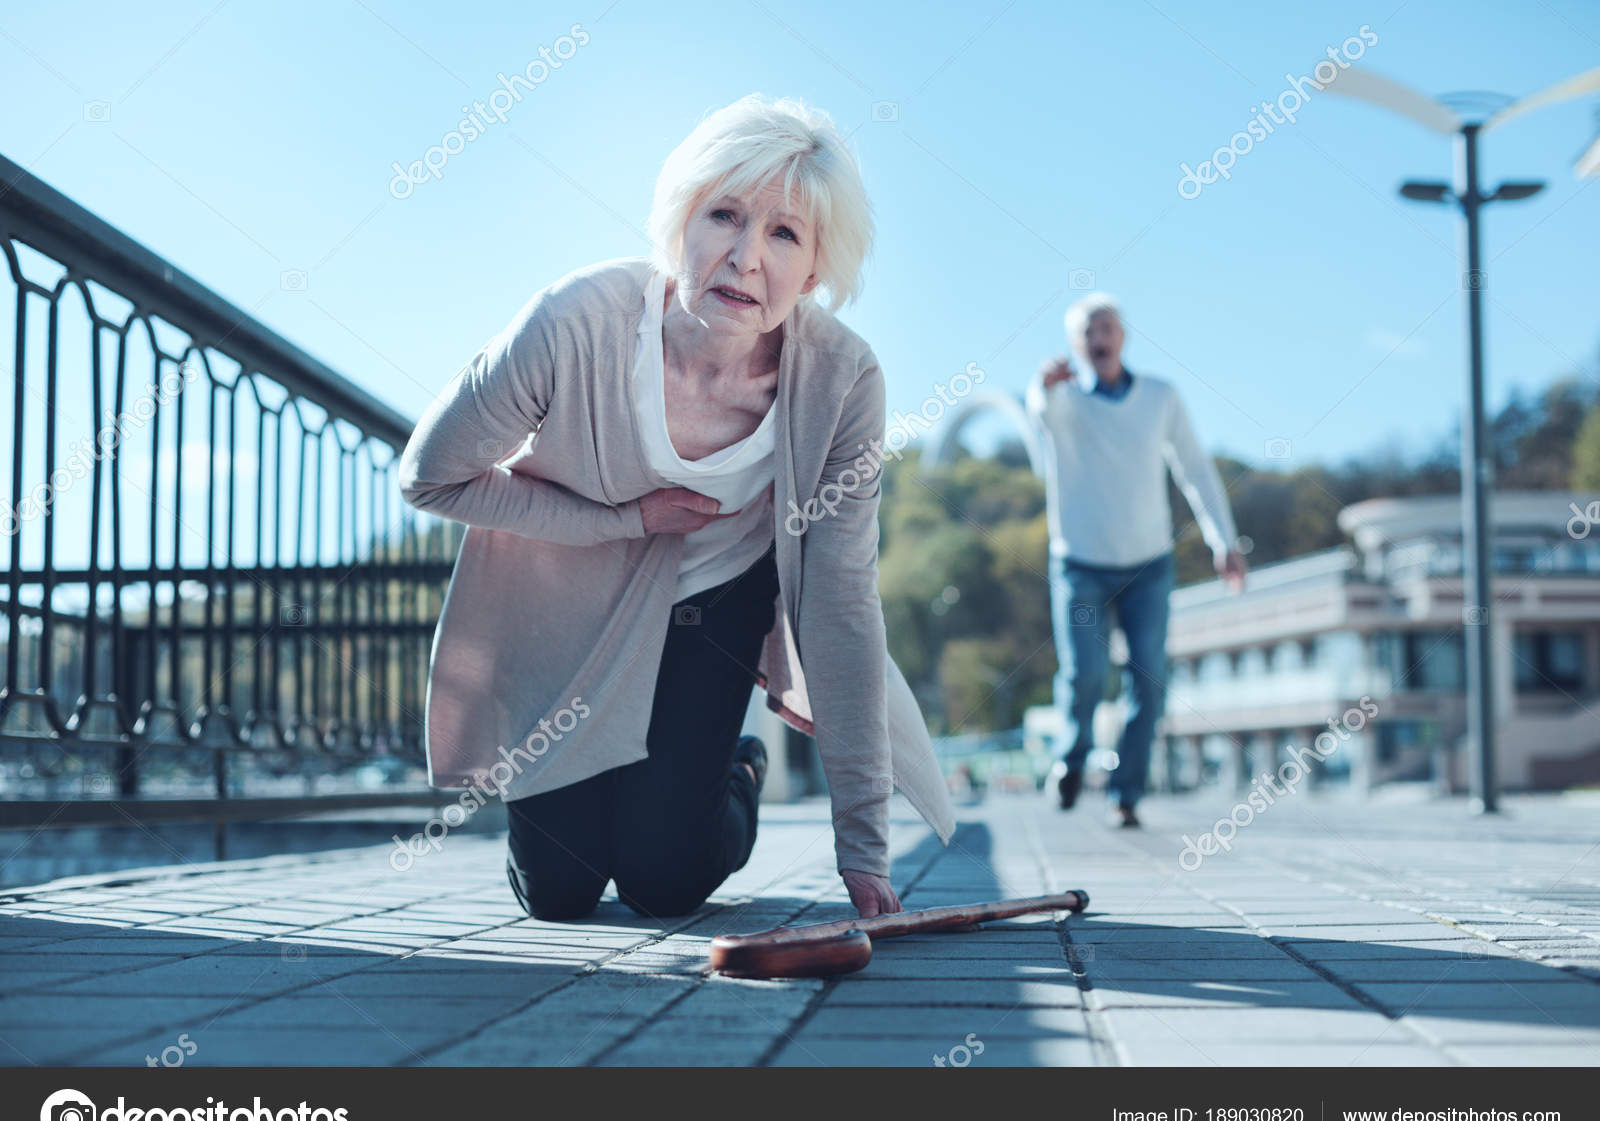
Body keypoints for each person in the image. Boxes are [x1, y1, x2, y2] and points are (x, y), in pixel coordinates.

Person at [398, 95, 953, 922]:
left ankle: (735, 771)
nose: (746, 258)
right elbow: (429, 476)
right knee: (560, 891)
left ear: (816, 267)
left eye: (785, 234)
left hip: (718, 602)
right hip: (567, 598)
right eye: (724, 215)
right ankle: (618, 801)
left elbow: (840, 600)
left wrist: (862, 848)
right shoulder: (573, 321)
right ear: (679, 222)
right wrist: (626, 518)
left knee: (663, 879)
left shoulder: (845, 383)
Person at [1026, 294, 1245, 827]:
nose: (1098, 337)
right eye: (1086, 331)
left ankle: (1126, 792)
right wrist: (1042, 385)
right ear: (1077, 346)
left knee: (1148, 681)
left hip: (1148, 563)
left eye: (1106, 327)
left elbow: (1195, 468)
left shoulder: (1161, 398)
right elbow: (1037, 412)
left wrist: (1224, 540)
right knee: (1085, 674)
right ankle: (1070, 762)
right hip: (1079, 564)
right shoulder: (1064, 402)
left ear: (1121, 337)